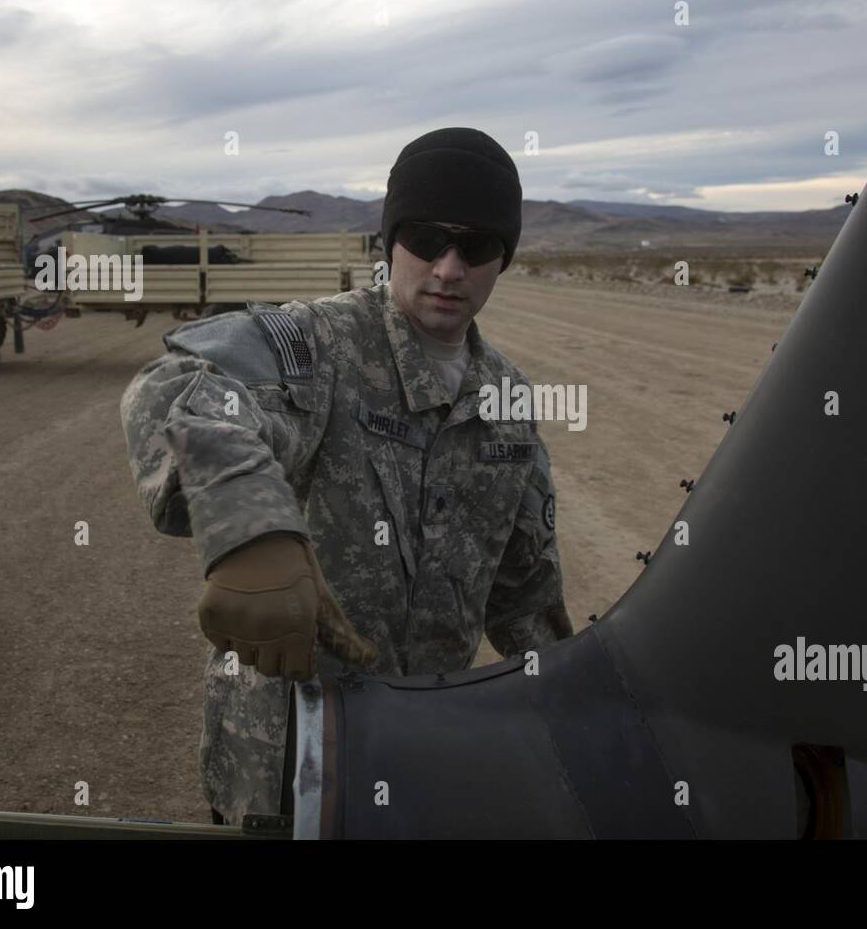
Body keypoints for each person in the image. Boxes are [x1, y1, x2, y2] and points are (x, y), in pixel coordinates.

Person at [119, 127, 573, 824]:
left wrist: (581, 703)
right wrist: (252, 528)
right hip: (290, 765)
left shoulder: (507, 398)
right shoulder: (320, 344)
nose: (449, 268)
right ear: (390, 243)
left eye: (476, 247)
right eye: (426, 239)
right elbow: (175, 389)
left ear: (502, 259)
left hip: (424, 756)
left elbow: (523, 598)